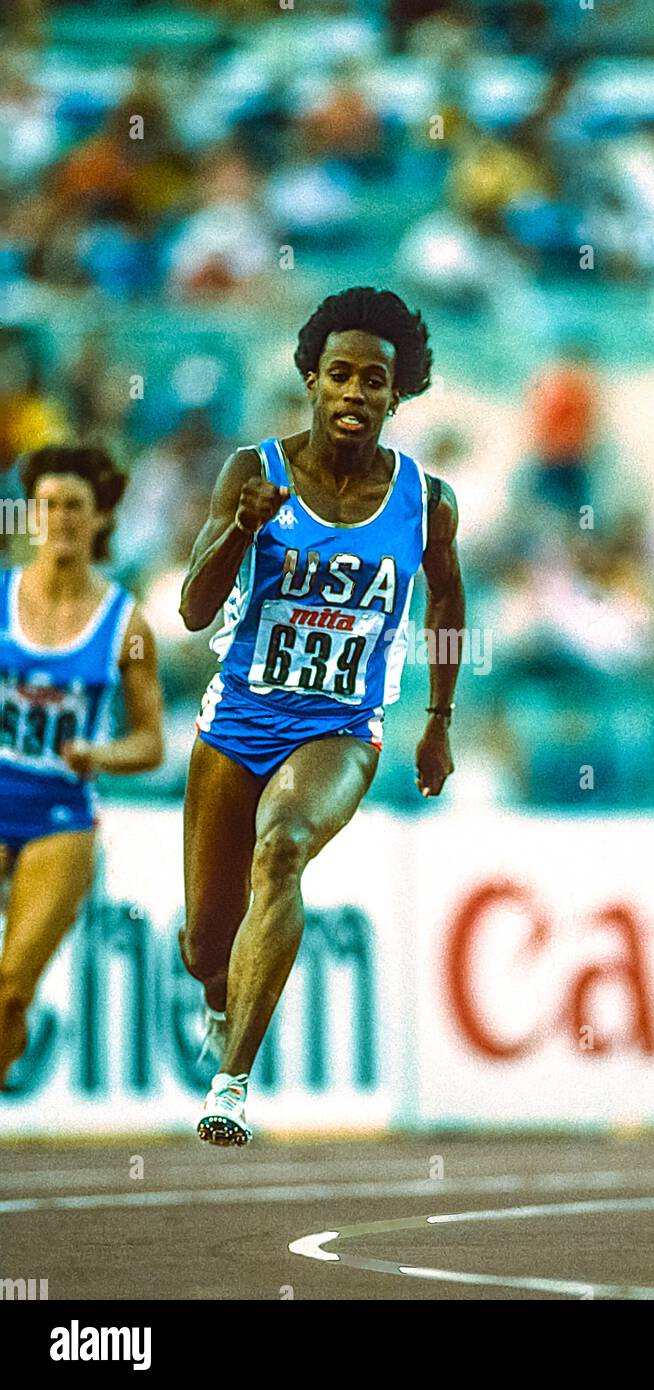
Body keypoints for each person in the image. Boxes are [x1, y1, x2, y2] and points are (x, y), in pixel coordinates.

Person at [178, 286, 464, 1145]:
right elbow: (194, 611)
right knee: (205, 945)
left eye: (374, 382)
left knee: (284, 847)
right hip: (236, 719)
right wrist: (239, 528)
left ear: (396, 394)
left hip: (340, 728)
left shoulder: (426, 499)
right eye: (338, 375)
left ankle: (231, 1085)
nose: (354, 394)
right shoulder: (252, 470)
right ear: (310, 379)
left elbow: (448, 605)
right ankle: (222, 995)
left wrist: (439, 718)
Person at [0, 445, 164, 1087]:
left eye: (74, 506)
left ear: (99, 520)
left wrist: (98, 754)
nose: (60, 518)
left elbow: (149, 742)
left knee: (12, 989)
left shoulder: (125, 621)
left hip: (60, 812)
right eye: (48, 505)